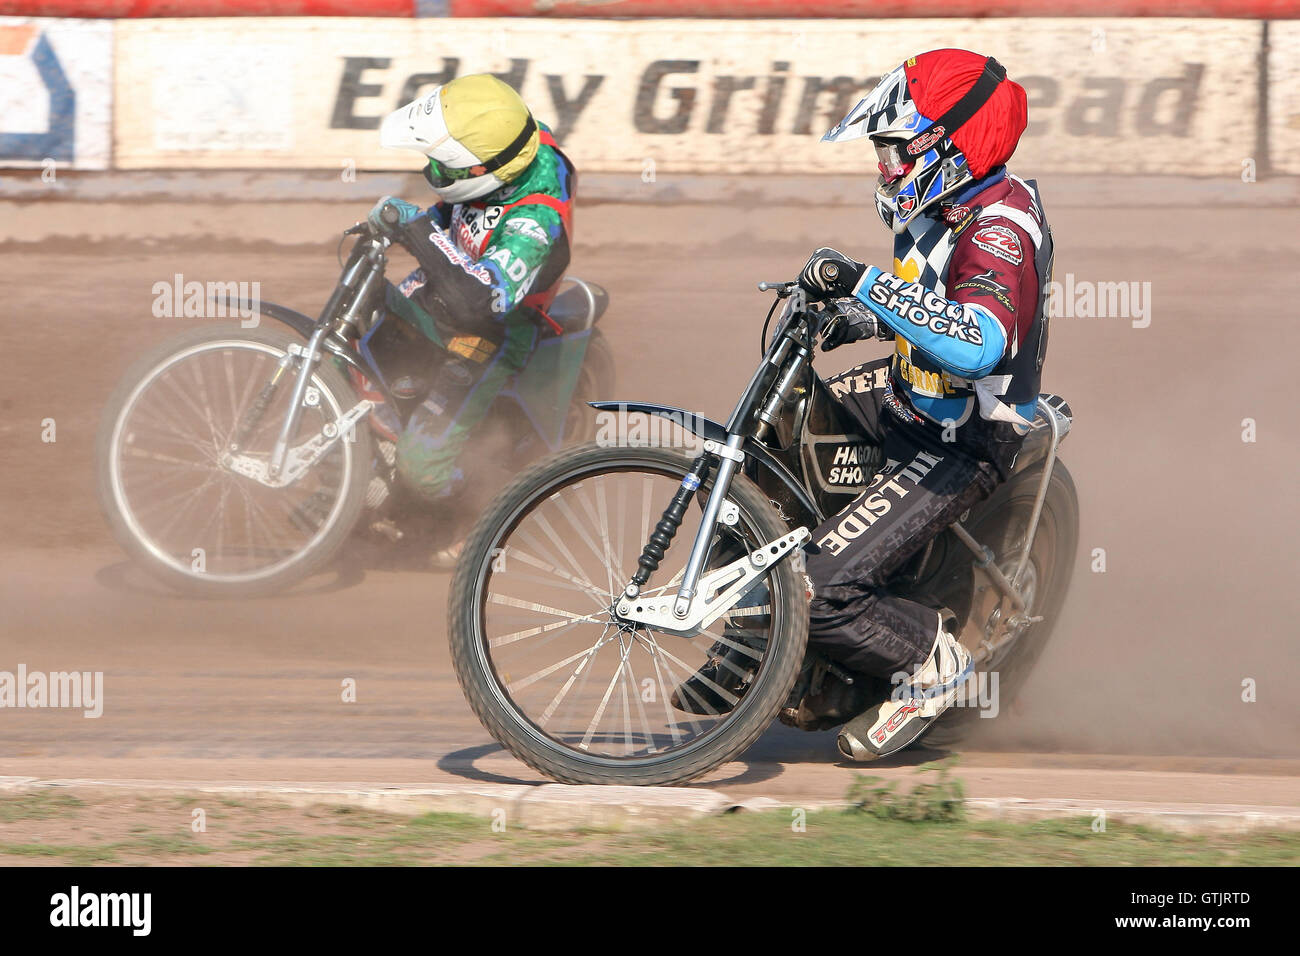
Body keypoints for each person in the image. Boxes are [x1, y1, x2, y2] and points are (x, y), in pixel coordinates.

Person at [791, 49, 1054, 760]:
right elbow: (927, 306)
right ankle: (758, 646)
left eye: (896, 149)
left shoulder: (1000, 230)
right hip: (906, 401)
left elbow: (977, 344)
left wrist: (865, 284)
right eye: (881, 150)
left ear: (953, 144)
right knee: (779, 431)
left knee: (815, 590)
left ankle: (932, 663)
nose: (885, 166)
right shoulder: (941, 202)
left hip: (963, 442)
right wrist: (857, 318)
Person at [358, 73, 575, 559]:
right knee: (365, 336)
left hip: (495, 328)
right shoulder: (512, 134)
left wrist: (414, 228)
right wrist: (421, 226)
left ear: (483, 171)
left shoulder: (533, 224)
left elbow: (482, 303)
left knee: (421, 463)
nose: (434, 167)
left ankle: (470, 517)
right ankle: (362, 472)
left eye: (447, 163)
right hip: (457, 283)